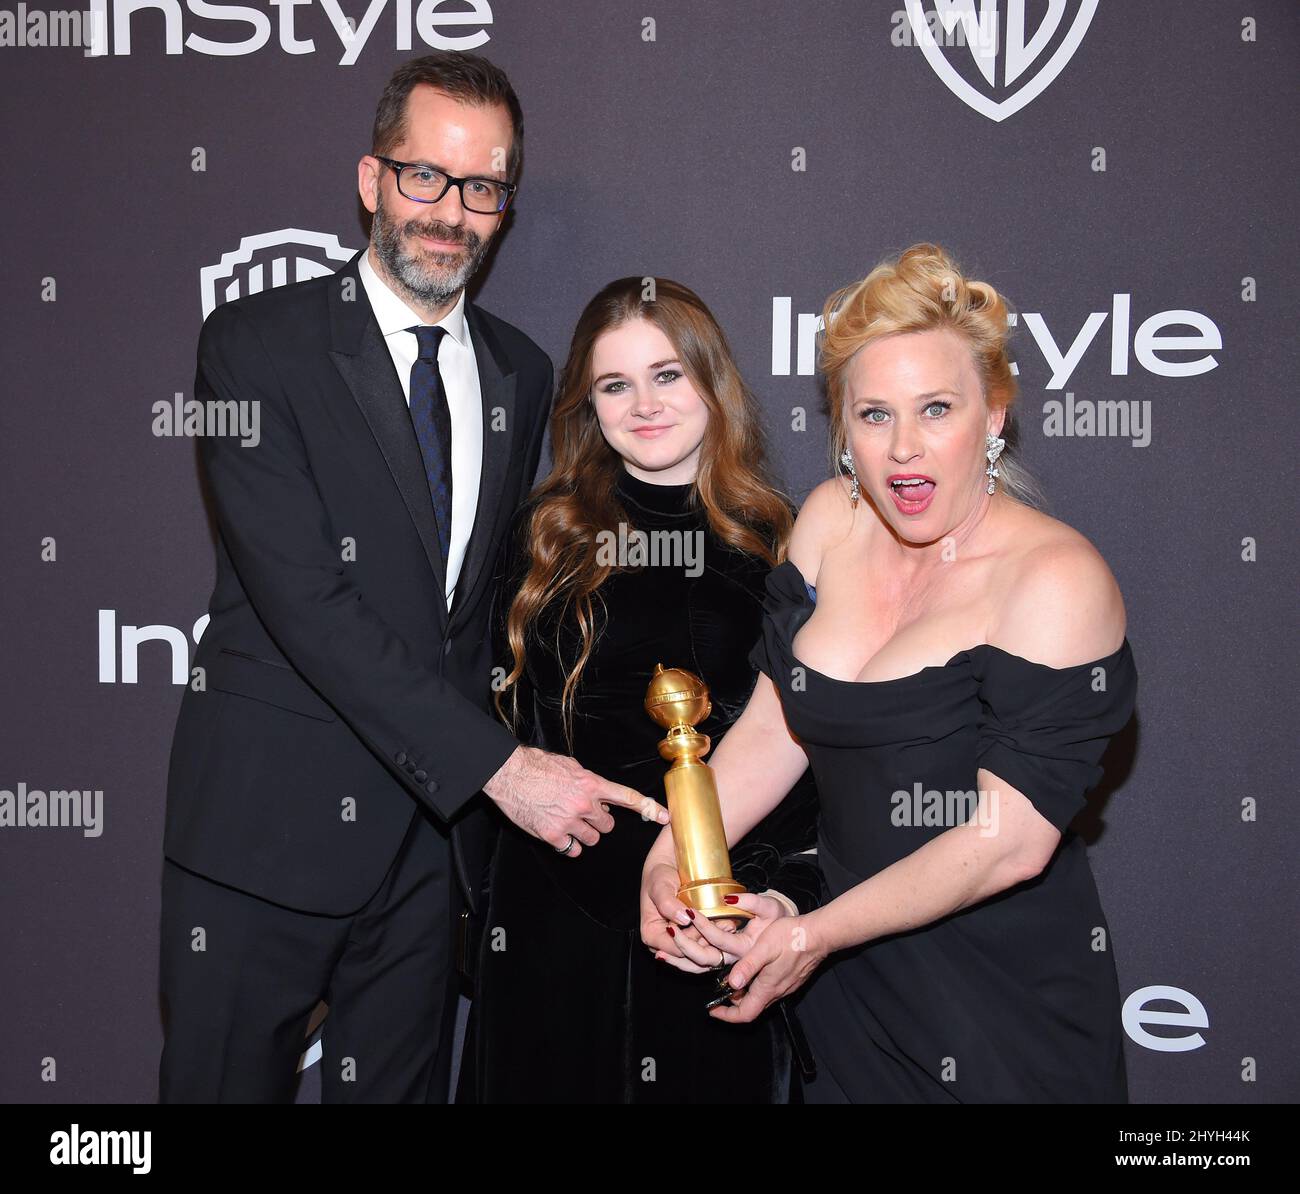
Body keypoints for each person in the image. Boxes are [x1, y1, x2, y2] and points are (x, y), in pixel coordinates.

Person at [159, 52, 665, 1105]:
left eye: (482, 187)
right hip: (264, 839)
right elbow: (307, 603)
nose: (451, 212)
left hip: (433, 858)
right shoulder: (256, 347)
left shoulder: (521, 374)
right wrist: (499, 769)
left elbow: (487, 616)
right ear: (370, 178)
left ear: (504, 206)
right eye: (424, 176)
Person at [641, 243, 1138, 1103]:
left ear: (994, 415)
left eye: (937, 408)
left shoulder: (1056, 578)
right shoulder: (831, 522)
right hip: (847, 995)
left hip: (997, 1005)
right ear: (842, 426)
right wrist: (671, 858)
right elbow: (773, 729)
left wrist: (818, 935)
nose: (904, 449)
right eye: (874, 416)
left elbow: (1006, 843)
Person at [457, 278, 820, 1103]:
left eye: (667, 375)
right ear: (589, 404)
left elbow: (804, 748)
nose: (643, 404)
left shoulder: (785, 544)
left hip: (718, 919)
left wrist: (766, 897)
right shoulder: (543, 536)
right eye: (615, 384)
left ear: (711, 380)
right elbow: (506, 735)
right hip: (559, 907)